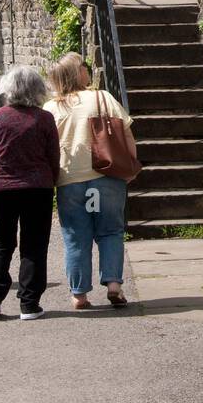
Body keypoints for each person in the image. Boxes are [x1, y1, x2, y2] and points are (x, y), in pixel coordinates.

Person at [0, 65, 60, 320]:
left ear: (7, 88)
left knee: (0, 241)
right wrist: (56, 184)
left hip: (1, 188)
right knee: (34, 245)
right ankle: (29, 303)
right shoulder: (45, 119)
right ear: (38, 90)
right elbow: (54, 158)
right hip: (37, 188)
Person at [45, 52, 135, 309]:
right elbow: (125, 133)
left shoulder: (52, 108)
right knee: (111, 232)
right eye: (83, 66)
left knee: (76, 236)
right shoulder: (102, 97)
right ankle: (114, 285)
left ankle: (79, 295)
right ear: (77, 73)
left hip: (70, 181)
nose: (87, 69)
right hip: (107, 176)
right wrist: (131, 167)